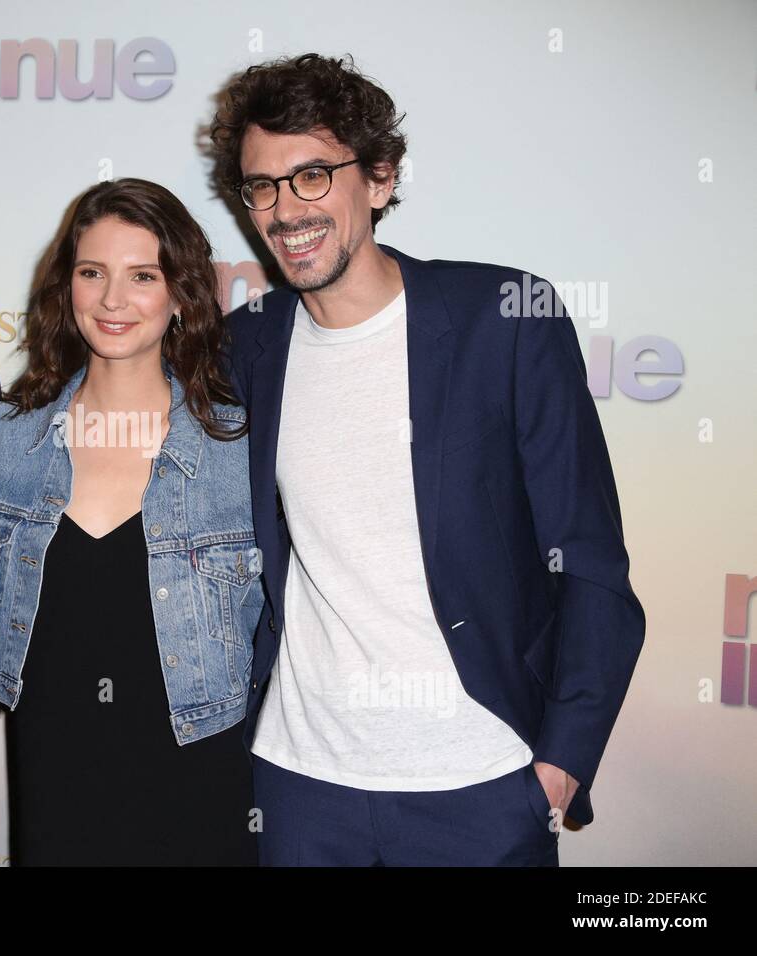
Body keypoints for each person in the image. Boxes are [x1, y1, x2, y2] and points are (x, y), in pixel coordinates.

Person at [208, 54, 645, 866]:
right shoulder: (247, 344)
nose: (282, 209)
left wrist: (556, 768)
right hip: (298, 787)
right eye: (261, 186)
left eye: (311, 176)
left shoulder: (504, 319)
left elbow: (589, 561)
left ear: (378, 178)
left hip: (481, 786)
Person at [0, 178, 261, 865]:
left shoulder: (236, 448)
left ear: (182, 293)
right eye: (92, 272)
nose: (113, 300)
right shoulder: (8, 438)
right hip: (55, 784)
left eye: (142, 276)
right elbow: (1, 600)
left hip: (200, 786)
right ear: (66, 287)